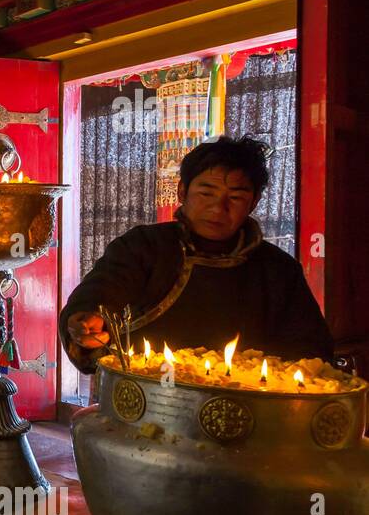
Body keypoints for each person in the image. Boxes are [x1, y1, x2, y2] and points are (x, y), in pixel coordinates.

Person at [60, 136, 333, 373]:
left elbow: (309, 348)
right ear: (182, 191)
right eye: (206, 192)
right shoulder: (144, 245)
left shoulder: (278, 269)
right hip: (146, 402)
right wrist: (86, 321)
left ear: (254, 203)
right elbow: (102, 292)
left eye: (235, 197)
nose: (218, 208)